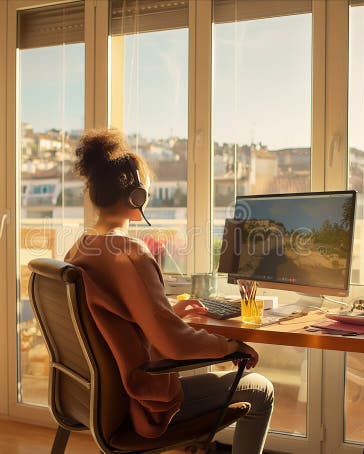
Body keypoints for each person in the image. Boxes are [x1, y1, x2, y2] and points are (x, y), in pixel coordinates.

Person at [64, 129, 273, 454]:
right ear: (137, 196)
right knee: (261, 389)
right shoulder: (129, 253)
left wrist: (170, 314)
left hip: (94, 397)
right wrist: (231, 347)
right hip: (140, 404)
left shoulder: (81, 248)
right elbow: (172, 343)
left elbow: (115, 319)